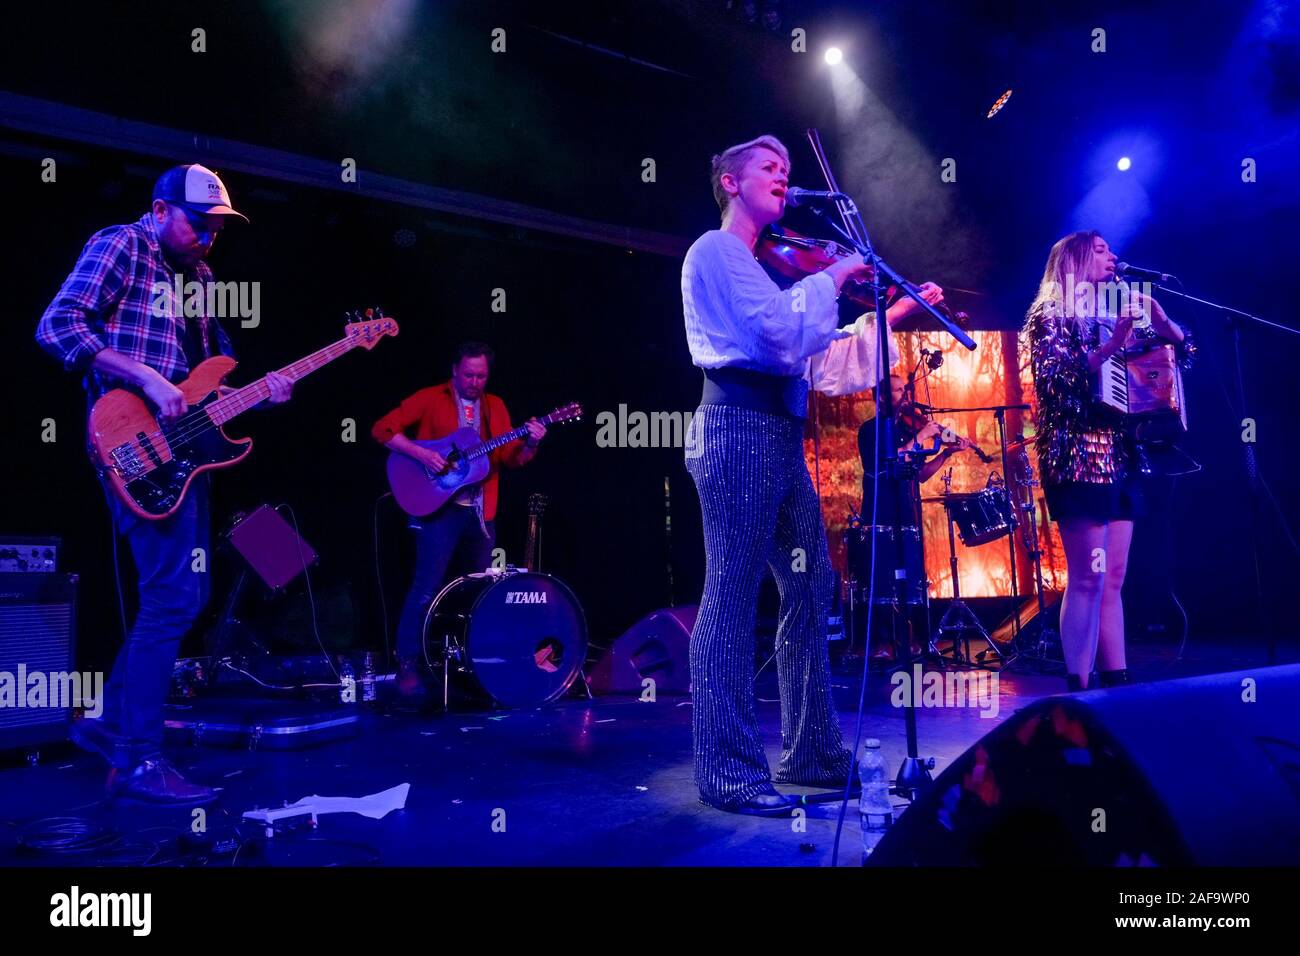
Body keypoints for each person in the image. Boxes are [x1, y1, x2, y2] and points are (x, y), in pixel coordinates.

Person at [681, 133, 944, 815]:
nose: (783, 177)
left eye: (788, 169)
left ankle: (813, 751)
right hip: (737, 428)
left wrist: (896, 310)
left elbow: (816, 361)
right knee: (732, 593)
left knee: (811, 583)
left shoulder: (762, 269)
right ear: (731, 182)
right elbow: (773, 332)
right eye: (769, 168)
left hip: (777, 430)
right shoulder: (716, 253)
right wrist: (834, 276)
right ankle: (730, 772)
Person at [36, 164, 293, 804]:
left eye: (217, 228)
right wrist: (147, 380)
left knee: (185, 592)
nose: (209, 239)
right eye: (198, 223)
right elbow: (58, 324)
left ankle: (107, 723)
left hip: (184, 453)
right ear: (159, 209)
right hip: (131, 442)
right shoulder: (122, 243)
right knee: (172, 596)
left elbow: (205, 387)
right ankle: (139, 759)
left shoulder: (201, 280)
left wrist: (262, 395)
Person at [1024, 231, 1191, 690]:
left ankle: (1117, 679)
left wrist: (1163, 322)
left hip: (1120, 454)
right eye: (1101, 250)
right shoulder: (1050, 316)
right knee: (1087, 579)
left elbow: (1176, 356)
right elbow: (1056, 382)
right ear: (1076, 259)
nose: (1113, 257)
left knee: (1113, 576)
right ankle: (1077, 683)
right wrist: (1113, 344)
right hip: (1077, 452)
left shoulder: (1112, 312)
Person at [372, 342, 545, 694]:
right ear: (454, 370)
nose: (475, 381)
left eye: (481, 375)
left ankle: (475, 666)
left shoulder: (494, 406)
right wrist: (423, 454)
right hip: (438, 510)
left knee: (479, 593)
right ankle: (407, 664)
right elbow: (383, 430)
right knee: (425, 589)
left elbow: (510, 458)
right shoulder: (431, 397)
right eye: (468, 374)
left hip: (482, 513)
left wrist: (531, 442)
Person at [855, 373, 980, 661]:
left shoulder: (904, 431)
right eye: (898, 390)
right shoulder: (871, 430)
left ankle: (909, 637)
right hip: (880, 513)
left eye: (904, 390)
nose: (905, 395)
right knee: (883, 578)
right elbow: (888, 460)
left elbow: (920, 475)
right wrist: (922, 437)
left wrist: (946, 454)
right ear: (882, 397)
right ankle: (881, 641)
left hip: (908, 512)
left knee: (910, 578)